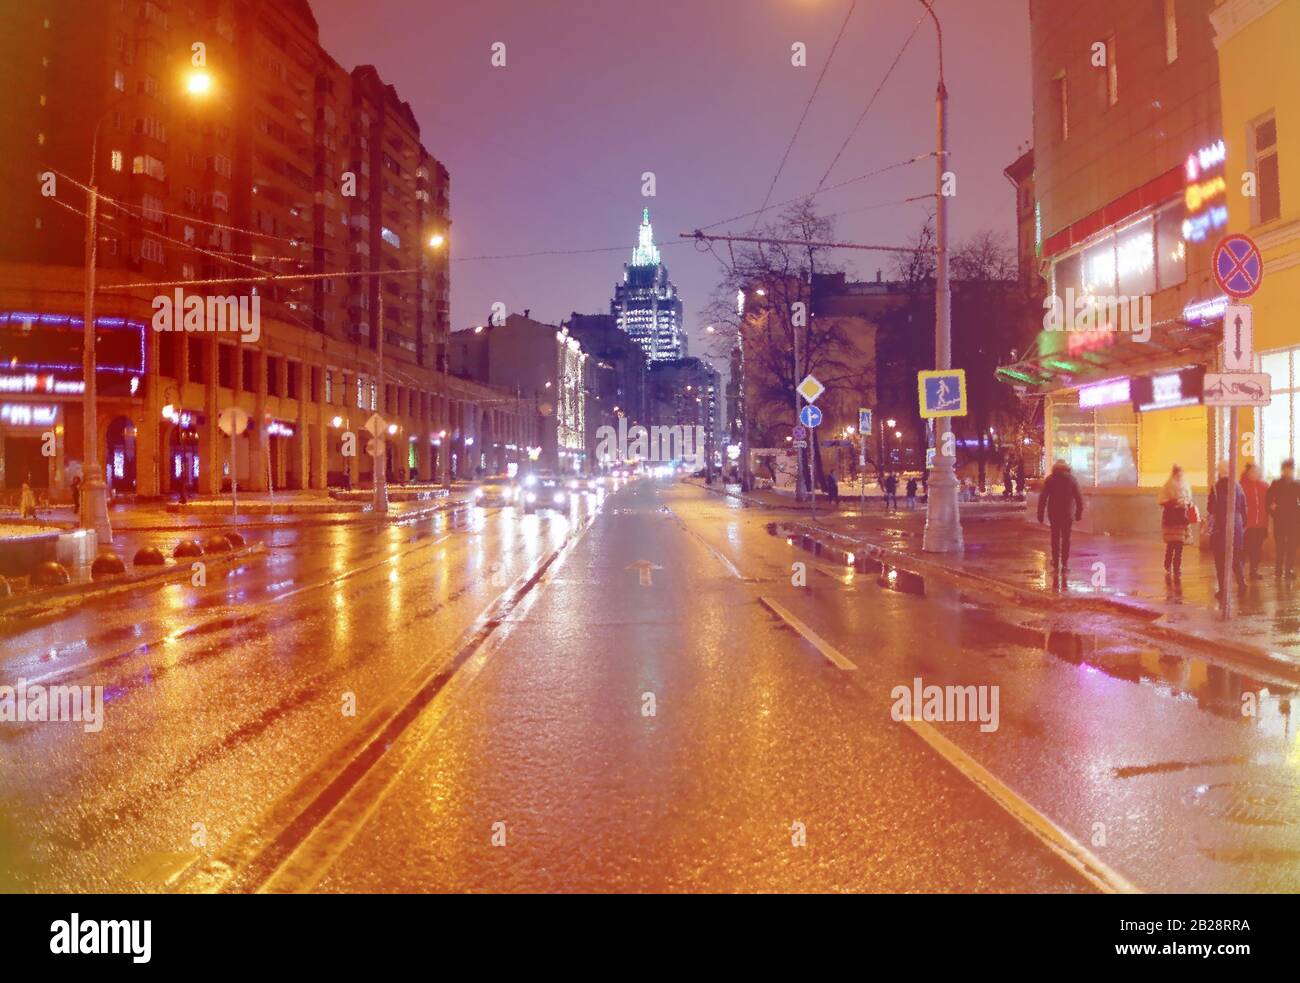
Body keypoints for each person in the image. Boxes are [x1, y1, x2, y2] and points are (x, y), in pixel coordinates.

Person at [1037, 458, 1084, 586]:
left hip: (1054, 513)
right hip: (1067, 514)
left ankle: (1056, 564)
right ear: (1067, 468)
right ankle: (1065, 564)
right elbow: (1079, 498)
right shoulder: (1072, 480)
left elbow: (1043, 498)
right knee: (1066, 538)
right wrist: (1078, 513)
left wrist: (1040, 514)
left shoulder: (1050, 479)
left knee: (1055, 537)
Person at [1207, 460, 1247, 599]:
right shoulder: (1238, 487)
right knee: (1235, 558)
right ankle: (1241, 584)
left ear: (1219, 471)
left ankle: (1223, 590)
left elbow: (1211, 508)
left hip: (1221, 526)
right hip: (1236, 526)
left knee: (1220, 560)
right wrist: (1242, 526)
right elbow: (1243, 508)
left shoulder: (1216, 488)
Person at [1157, 464, 1194, 584]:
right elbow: (1162, 501)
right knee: (1172, 544)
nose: (1180, 476)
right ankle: (1168, 564)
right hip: (1172, 517)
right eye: (1178, 473)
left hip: (1180, 518)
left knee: (1179, 545)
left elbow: (1189, 499)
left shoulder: (1185, 485)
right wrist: (1173, 502)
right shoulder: (1168, 486)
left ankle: (1176, 566)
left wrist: (1186, 504)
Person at [1266, 458, 1300, 580]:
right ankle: (1278, 570)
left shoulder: (1297, 484)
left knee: (1292, 546)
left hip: (1294, 521)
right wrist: (1273, 511)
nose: (1288, 472)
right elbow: (1268, 500)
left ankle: (1289, 570)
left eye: (1290, 469)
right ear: (1282, 470)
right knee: (1280, 545)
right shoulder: (1276, 483)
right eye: (1286, 469)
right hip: (1280, 520)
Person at [1241, 462, 1269, 579]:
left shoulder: (1264, 486)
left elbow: (1270, 502)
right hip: (1247, 524)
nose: (1254, 474)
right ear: (1247, 473)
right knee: (1245, 548)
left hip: (1261, 524)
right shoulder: (1241, 486)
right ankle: (1239, 571)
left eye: (1256, 472)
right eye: (1252, 472)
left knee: (1257, 548)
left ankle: (1254, 570)